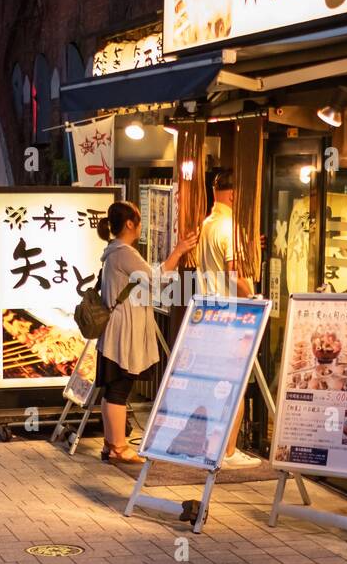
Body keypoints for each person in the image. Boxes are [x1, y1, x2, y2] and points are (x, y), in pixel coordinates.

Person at [96, 201, 197, 464]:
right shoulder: (124, 252)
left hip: (115, 328)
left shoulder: (114, 252)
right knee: (119, 388)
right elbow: (154, 280)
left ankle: (111, 443)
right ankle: (119, 446)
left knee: (113, 388)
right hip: (123, 330)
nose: (140, 227)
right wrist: (178, 252)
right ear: (130, 224)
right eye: (139, 222)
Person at [197, 169, 261, 469]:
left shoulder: (208, 224)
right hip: (233, 318)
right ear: (235, 194)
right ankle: (229, 451)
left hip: (210, 315)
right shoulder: (230, 226)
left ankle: (214, 445)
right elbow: (234, 273)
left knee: (216, 386)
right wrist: (254, 297)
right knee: (234, 386)